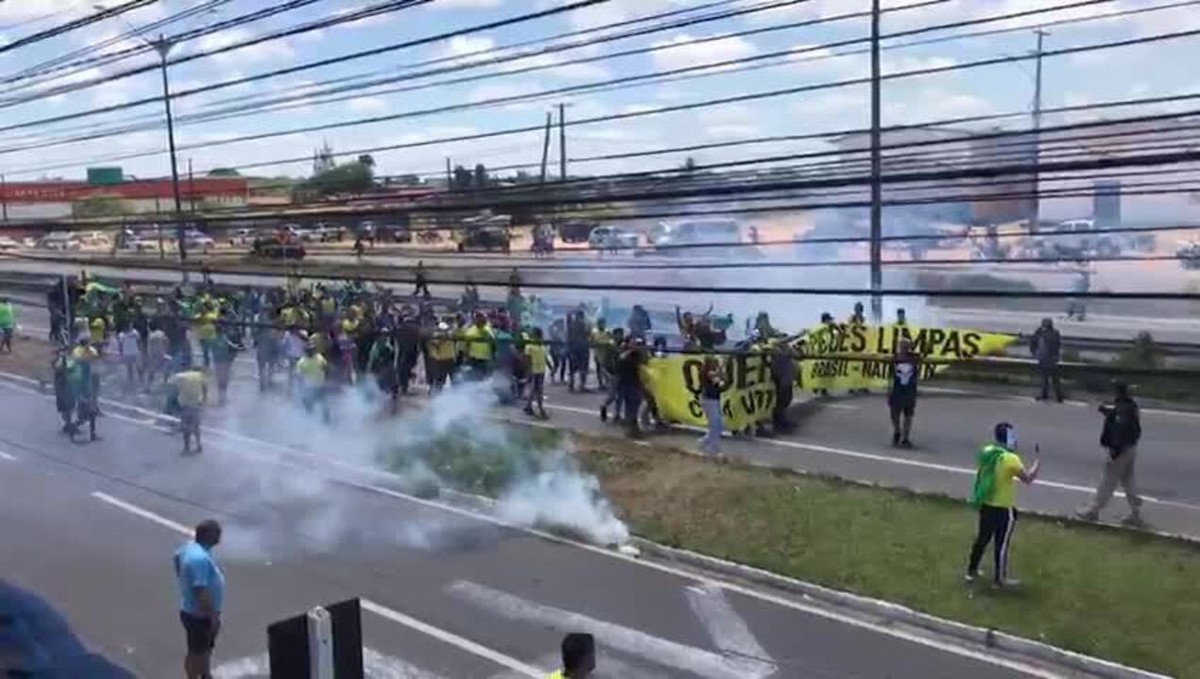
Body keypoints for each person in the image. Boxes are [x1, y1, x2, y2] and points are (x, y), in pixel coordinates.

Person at [966, 422, 1041, 587]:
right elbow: (1028, 479)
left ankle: (971, 571)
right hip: (1003, 508)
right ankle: (1000, 578)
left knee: (982, 539)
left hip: (986, 504)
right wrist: (1037, 464)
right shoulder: (1010, 459)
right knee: (1001, 545)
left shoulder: (987, 452)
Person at [1077, 381, 1144, 526]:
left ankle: (1093, 510)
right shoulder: (1131, 406)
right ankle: (1135, 513)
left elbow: (1119, 428)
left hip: (1120, 450)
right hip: (1131, 448)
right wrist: (1102, 409)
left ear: (1118, 392)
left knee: (1108, 481)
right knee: (1128, 481)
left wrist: (1115, 450)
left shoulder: (1122, 409)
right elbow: (1116, 416)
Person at [174, 519, 225, 679]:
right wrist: (212, 617)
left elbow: (176, 557)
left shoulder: (190, 547)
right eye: (217, 533)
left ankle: (205, 674)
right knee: (196, 652)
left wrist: (183, 580)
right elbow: (201, 591)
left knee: (204, 649)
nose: (220, 535)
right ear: (207, 535)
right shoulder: (199, 559)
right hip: (199, 616)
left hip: (197, 612)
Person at [169, 362, 208, 455]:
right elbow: (205, 388)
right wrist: (204, 399)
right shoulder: (200, 376)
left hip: (184, 404)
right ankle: (198, 444)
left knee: (186, 426)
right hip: (196, 404)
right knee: (196, 426)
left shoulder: (181, 376)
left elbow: (173, 387)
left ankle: (187, 448)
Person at [888, 337, 920, 448]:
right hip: (897, 390)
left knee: (908, 415)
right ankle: (897, 431)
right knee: (894, 414)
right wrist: (889, 390)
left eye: (906, 346)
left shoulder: (914, 358)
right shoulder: (895, 358)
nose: (904, 348)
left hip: (909, 390)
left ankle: (905, 438)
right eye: (902, 346)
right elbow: (891, 376)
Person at [1029, 318, 1063, 402]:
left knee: (1045, 378)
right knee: (1055, 379)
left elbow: (1033, 342)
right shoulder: (1055, 333)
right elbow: (1058, 345)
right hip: (1053, 359)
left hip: (1044, 359)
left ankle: (1044, 395)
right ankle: (1059, 396)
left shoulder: (1041, 333)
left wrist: (1035, 353)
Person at [698, 358, 725, 455]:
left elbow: (721, 380)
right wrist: (722, 366)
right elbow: (715, 377)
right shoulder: (706, 372)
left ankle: (703, 442)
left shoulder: (713, 374)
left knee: (719, 425)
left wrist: (721, 370)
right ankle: (714, 449)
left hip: (715, 401)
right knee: (715, 425)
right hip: (709, 401)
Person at [523, 327, 548, 419]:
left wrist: (550, 366)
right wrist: (529, 370)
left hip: (541, 370)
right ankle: (541, 409)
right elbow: (527, 359)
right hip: (534, 371)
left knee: (535, 390)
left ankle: (528, 406)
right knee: (538, 390)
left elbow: (545, 357)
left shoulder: (542, 346)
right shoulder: (530, 346)